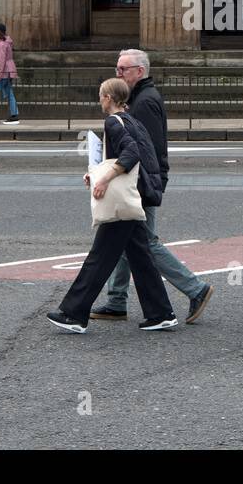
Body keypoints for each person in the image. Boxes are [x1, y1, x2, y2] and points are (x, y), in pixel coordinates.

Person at [90, 49, 215, 324]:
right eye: (117, 68)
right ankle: (116, 300)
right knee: (126, 238)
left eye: (123, 69)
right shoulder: (139, 98)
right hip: (141, 180)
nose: (118, 73)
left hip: (141, 182)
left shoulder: (144, 102)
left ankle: (196, 288)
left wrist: (122, 177)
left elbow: (142, 150)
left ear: (140, 71)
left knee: (144, 241)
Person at [48, 78, 178, 333]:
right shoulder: (133, 121)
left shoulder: (113, 122)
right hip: (133, 197)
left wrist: (104, 179)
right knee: (141, 257)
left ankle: (73, 313)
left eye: (100, 95)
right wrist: (97, 174)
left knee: (99, 257)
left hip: (121, 202)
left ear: (108, 97)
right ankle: (161, 313)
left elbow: (130, 154)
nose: (99, 100)